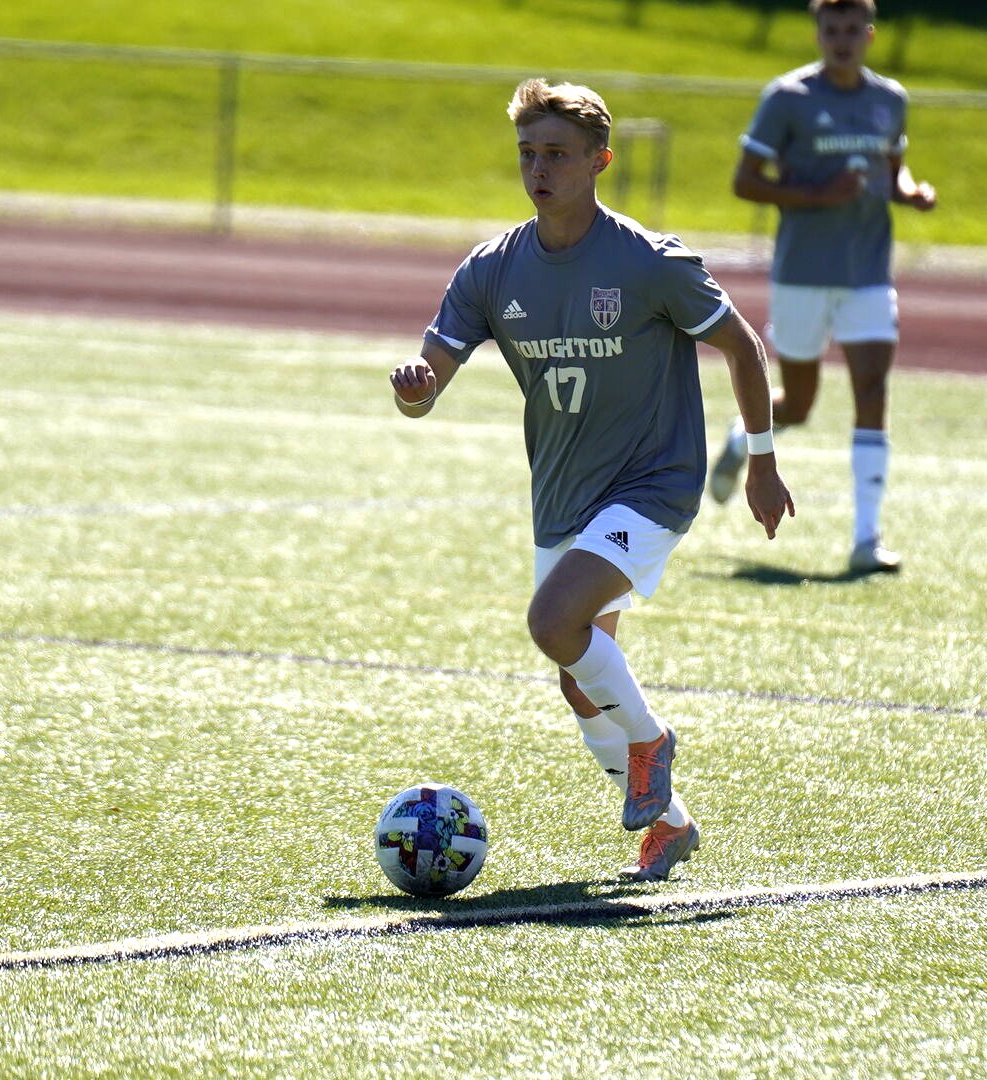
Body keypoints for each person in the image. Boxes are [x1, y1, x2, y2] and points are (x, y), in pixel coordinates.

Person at [390, 79, 793, 884]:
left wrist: (762, 459)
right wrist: (415, 388)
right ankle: (669, 827)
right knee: (582, 684)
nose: (539, 169)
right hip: (564, 498)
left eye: (558, 155)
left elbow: (744, 347)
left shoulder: (648, 262)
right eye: (528, 154)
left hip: (654, 481)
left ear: (599, 161)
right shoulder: (492, 269)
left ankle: (651, 744)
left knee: (551, 620)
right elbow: (430, 378)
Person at [708, 0, 937, 575]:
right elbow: (744, 182)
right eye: (831, 30)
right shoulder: (788, 98)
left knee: (873, 392)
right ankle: (742, 440)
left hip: (867, 273)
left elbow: (891, 169)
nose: (842, 40)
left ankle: (867, 539)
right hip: (803, 273)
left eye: (852, 30)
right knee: (801, 403)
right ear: (818, 33)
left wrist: (909, 191)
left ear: (870, 34)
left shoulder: (890, 100)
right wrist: (818, 195)